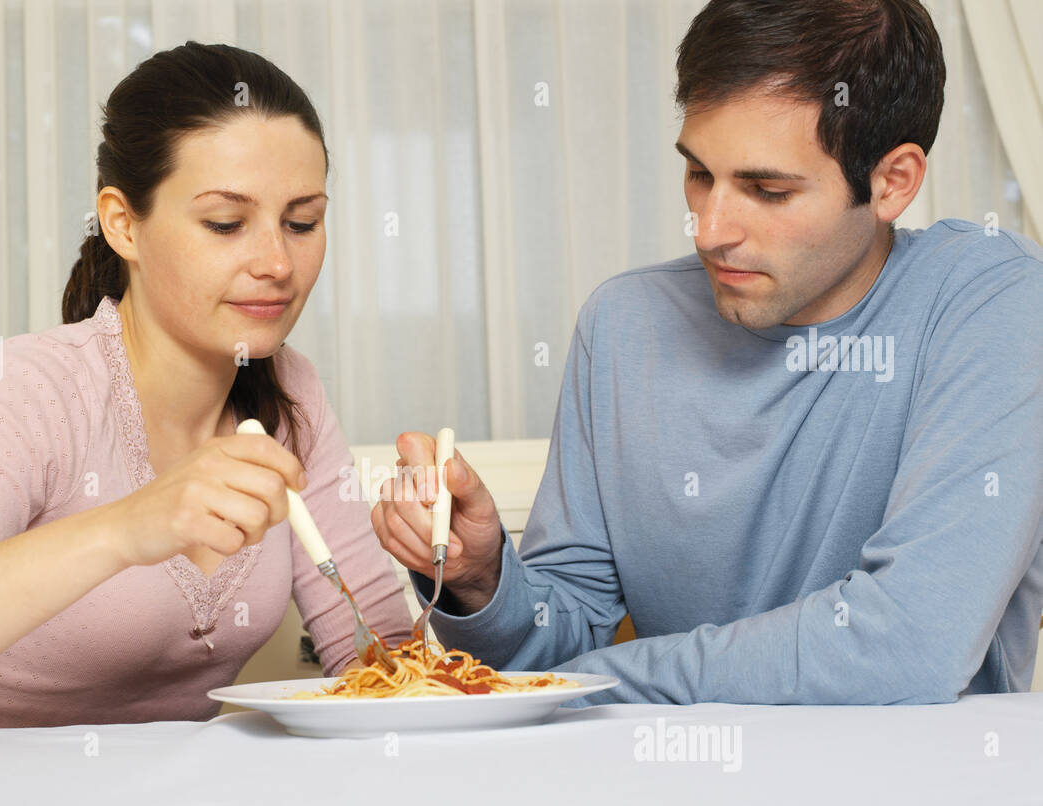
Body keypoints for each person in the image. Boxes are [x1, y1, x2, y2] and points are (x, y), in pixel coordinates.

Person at [373, 0, 1043, 705]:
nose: (710, 229)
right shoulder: (623, 325)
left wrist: (600, 683)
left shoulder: (993, 303)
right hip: (670, 795)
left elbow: (908, 644)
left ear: (892, 181)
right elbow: (552, 651)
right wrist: (483, 580)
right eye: (699, 174)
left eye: (766, 189)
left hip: (920, 802)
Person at [0, 42, 411, 733]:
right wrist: (126, 527)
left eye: (302, 222)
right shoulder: (30, 391)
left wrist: (470, 580)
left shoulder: (291, 395)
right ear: (123, 224)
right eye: (225, 223)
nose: (277, 261)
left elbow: (378, 665)